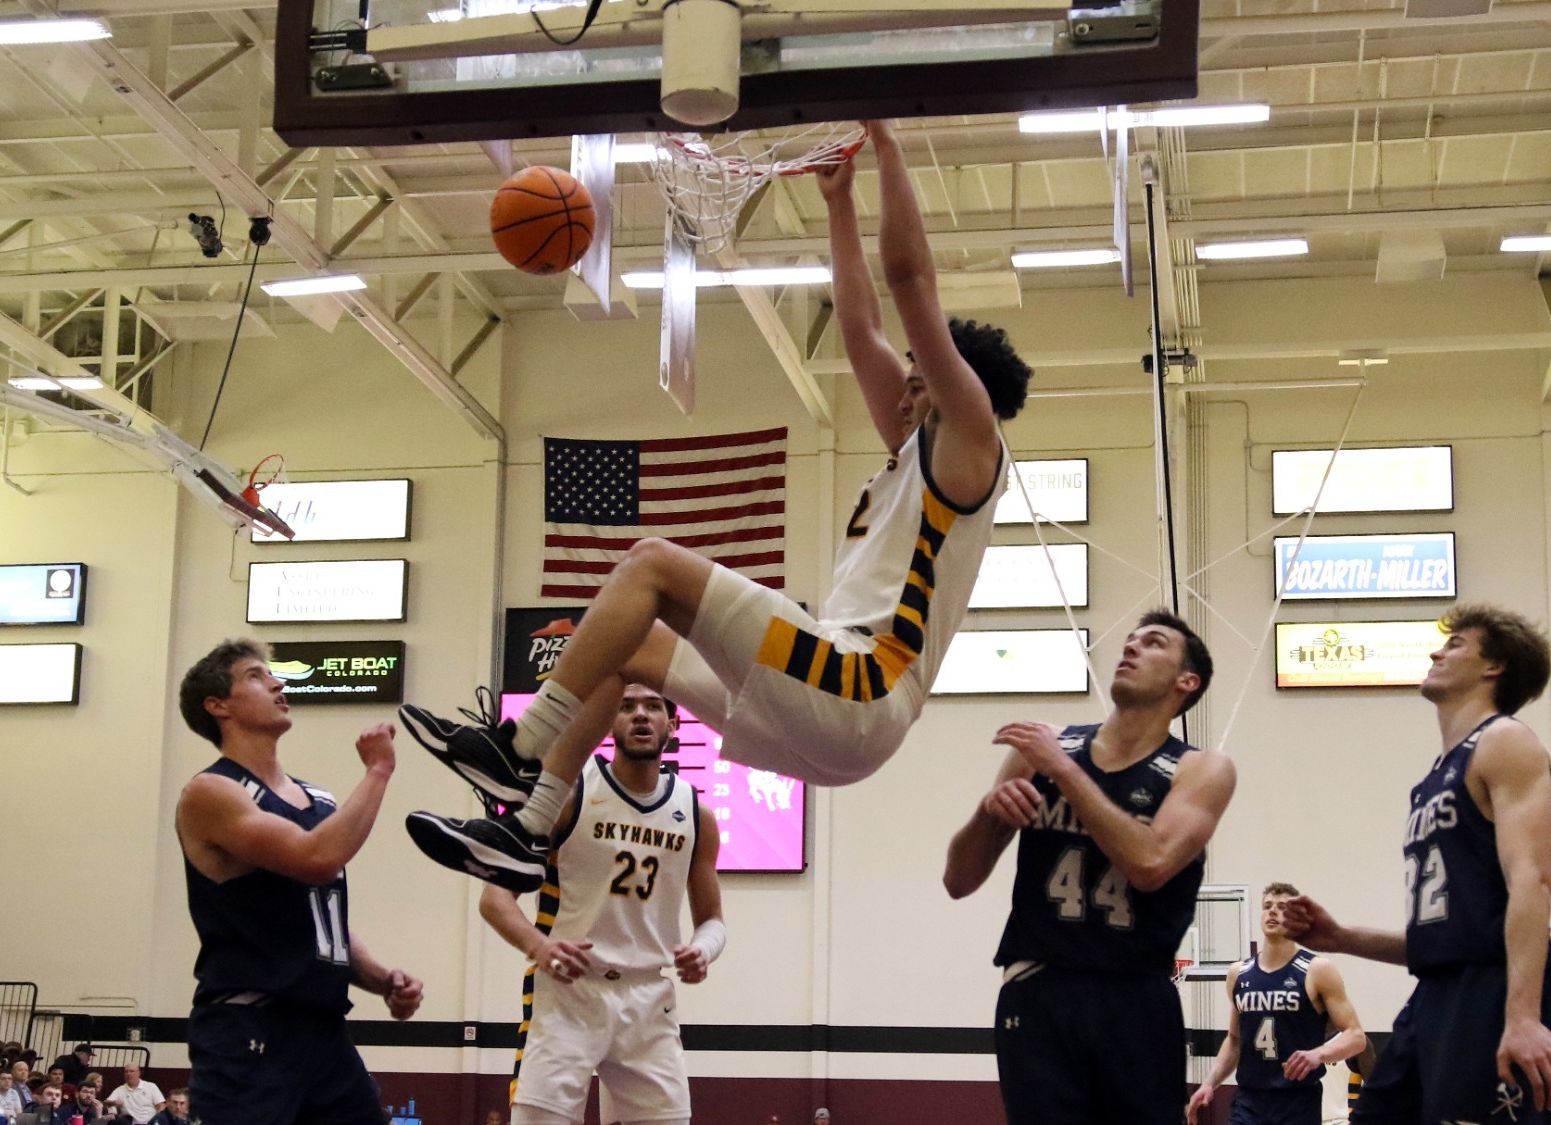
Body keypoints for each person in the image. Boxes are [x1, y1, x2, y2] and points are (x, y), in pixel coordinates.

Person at [402, 117, 1033, 893]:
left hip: (862, 686)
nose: (901, 386)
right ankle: (529, 831)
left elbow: (910, 290)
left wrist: (891, 146)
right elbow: (864, 324)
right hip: (834, 717)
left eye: (919, 376)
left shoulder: (972, 445)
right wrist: (839, 202)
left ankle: (519, 746)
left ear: (961, 384)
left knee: (652, 565)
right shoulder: (911, 456)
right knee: (629, 643)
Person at [1283, 605, 1551, 1124]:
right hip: (1437, 992)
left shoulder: (1505, 741)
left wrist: (1523, 1016)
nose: (1438, 651)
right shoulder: (1436, 776)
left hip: (1495, 988)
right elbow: (1448, 934)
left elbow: (1532, 880)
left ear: (1494, 667)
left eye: (1457, 643)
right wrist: (1342, 936)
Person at [943, 612, 1236, 1125]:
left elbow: (1150, 863)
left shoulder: (1201, 768)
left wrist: (1062, 769)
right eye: (1129, 640)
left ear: (1185, 682)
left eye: (1153, 643)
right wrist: (987, 812)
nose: (1131, 648)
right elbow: (958, 881)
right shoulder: (1043, 747)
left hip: (1137, 992)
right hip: (1040, 988)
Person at [173, 640, 426, 1125]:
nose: (277, 683)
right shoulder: (212, 791)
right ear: (217, 705)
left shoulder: (318, 799)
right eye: (254, 676)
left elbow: (321, 919)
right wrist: (379, 769)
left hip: (323, 1030)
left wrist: (381, 977)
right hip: (248, 1026)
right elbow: (318, 859)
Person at [479, 683, 725, 1125]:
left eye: (653, 706)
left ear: (672, 724)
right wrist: (540, 948)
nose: (640, 715)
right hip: (570, 990)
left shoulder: (696, 814)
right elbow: (495, 899)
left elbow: (713, 922)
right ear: (610, 723)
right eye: (626, 706)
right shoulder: (568, 794)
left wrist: (701, 951)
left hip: (649, 997)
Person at [1186, 883, 1367, 1125]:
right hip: (1249, 1100)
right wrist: (1209, 1083)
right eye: (1267, 906)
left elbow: (1356, 1037)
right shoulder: (1238, 973)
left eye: (1282, 907)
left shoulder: (1317, 970)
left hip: (1297, 1102)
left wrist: (1319, 1054)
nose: (1272, 912)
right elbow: (1235, 1039)